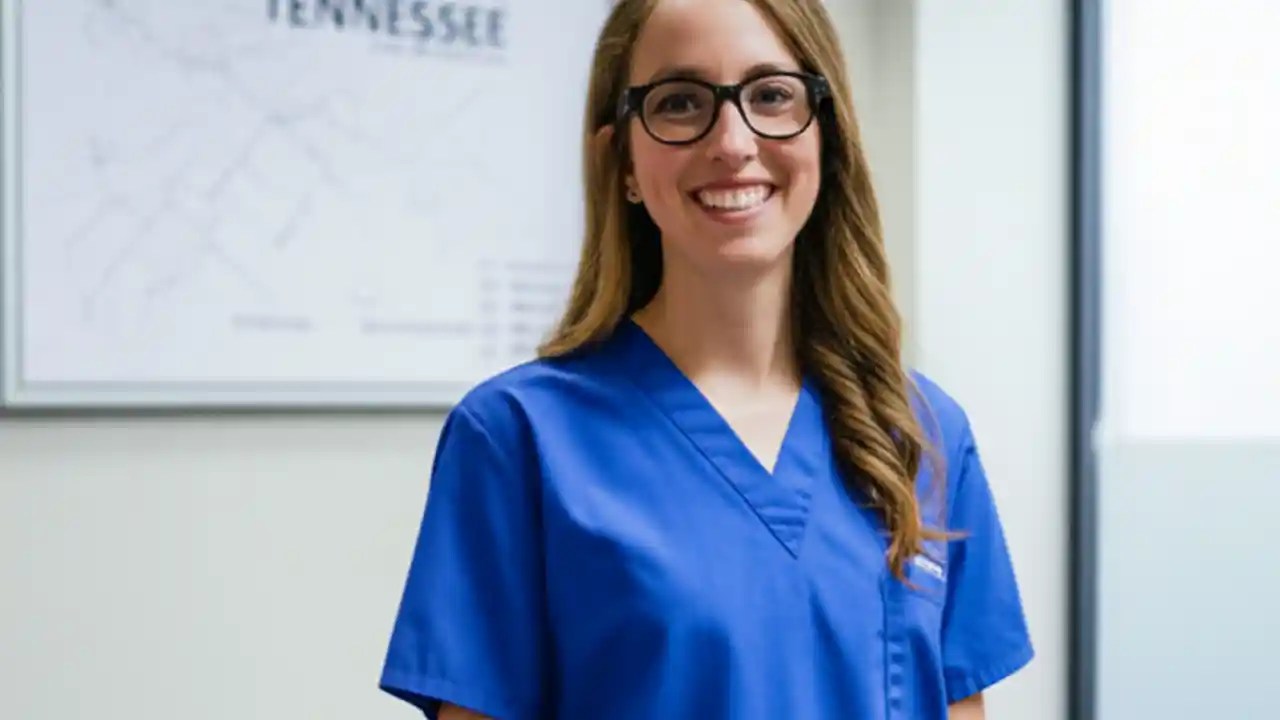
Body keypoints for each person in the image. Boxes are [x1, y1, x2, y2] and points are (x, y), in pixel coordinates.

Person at [378, 0, 1034, 717]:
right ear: (622, 161)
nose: (732, 141)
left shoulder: (922, 433)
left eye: (772, 95)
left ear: (827, 136)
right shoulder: (517, 438)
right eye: (681, 102)